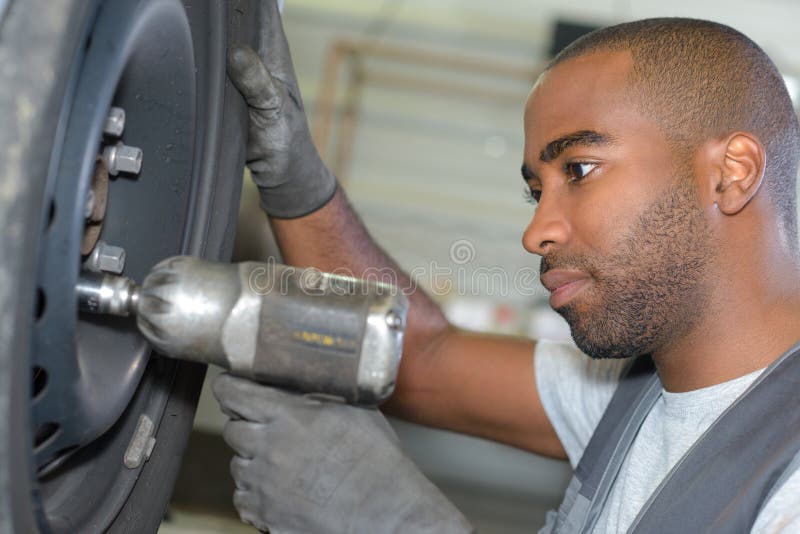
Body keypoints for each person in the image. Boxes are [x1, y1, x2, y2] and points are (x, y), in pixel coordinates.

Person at [212, 3, 800, 532]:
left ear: (732, 172)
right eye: (534, 192)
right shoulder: (636, 393)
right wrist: (296, 184)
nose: (536, 232)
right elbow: (419, 359)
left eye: (578, 169)